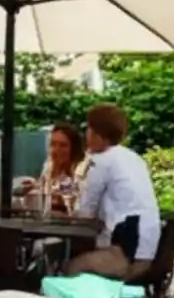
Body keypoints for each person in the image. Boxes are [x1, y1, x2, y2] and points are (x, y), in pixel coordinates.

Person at [66, 104, 161, 281]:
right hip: (148, 255)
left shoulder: (101, 161)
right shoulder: (134, 158)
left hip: (124, 256)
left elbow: (85, 214)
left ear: (97, 133)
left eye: (88, 128)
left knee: (72, 268)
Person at [20, 122, 88, 213]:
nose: (56, 150)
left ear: (74, 148)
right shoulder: (49, 167)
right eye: (53, 144)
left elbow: (79, 200)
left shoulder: (82, 171)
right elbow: (42, 201)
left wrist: (62, 201)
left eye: (63, 145)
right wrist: (33, 187)